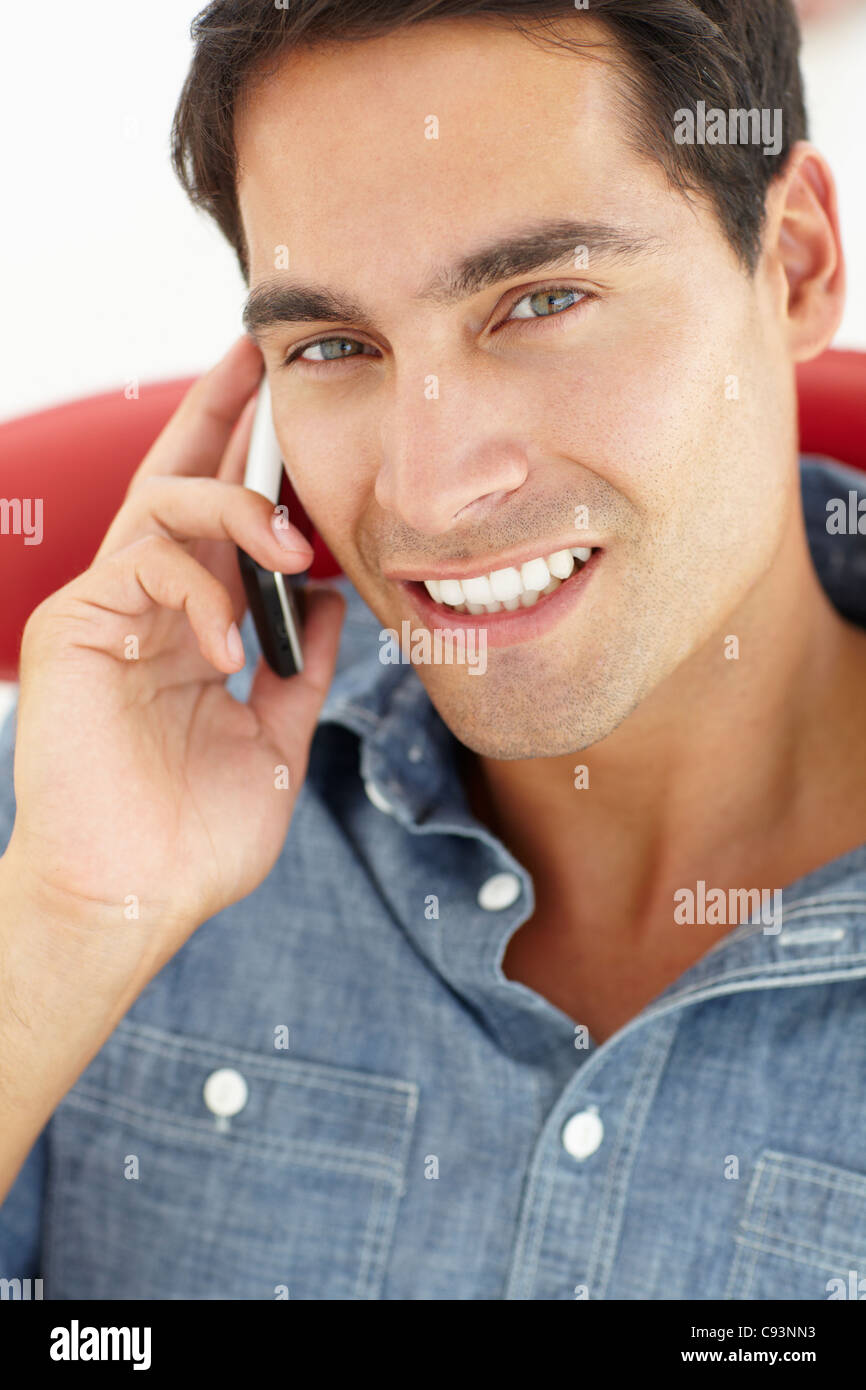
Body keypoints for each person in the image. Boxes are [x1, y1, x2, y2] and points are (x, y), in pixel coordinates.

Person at [2, 0, 866, 1302]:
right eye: (335, 346)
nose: (427, 483)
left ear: (791, 261)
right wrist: (62, 932)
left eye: (542, 300)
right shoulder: (88, 807)